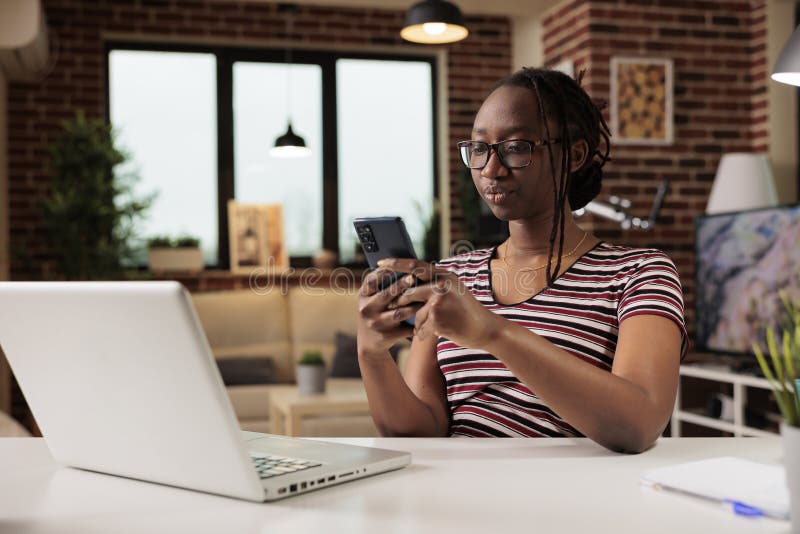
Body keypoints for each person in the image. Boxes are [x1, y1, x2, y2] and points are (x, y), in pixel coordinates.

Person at [356, 67, 687, 453]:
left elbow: (640, 424)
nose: (491, 170)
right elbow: (420, 435)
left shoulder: (640, 273)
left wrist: (494, 333)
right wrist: (372, 354)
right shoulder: (455, 277)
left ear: (575, 155)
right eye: (479, 149)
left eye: (515, 148)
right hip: (454, 499)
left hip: (577, 504)